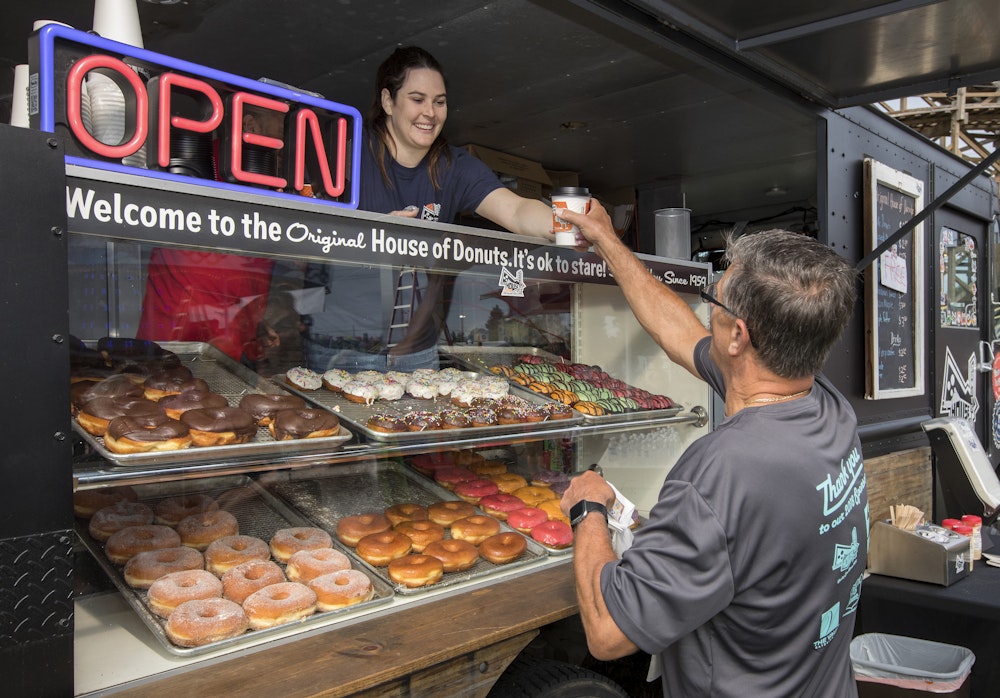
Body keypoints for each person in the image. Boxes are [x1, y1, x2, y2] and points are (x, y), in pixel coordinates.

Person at [557, 201, 868, 697]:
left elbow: (609, 632)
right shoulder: (825, 404)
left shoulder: (721, 472)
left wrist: (589, 508)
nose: (706, 307)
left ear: (739, 337)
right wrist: (607, 241)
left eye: (715, 300)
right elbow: (680, 333)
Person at [302, 46, 554, 372]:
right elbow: (297, 237)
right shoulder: (345, 151)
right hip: (342, 343)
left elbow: (517, 211)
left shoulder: (455, 167)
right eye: (417, 99)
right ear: (388, 101)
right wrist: (371, 236)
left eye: (439, 101)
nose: (430, 113)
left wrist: (568, 222)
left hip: (417, 352)